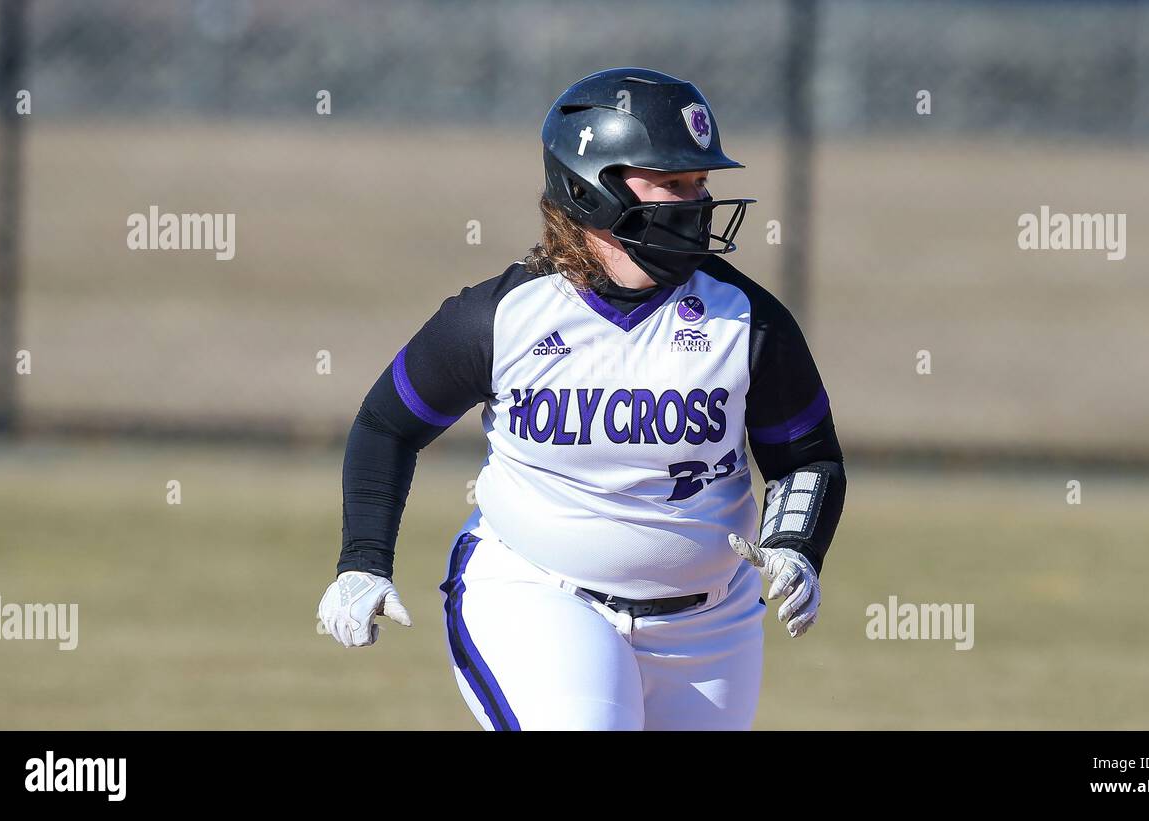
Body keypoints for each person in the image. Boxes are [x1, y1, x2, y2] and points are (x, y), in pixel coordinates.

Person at [316, 67, 846, 730]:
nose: (698, 200)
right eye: (672, 181)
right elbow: (387, 425)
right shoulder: (500, 317)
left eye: (701, 181)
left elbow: (808, 458)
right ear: (589, 187)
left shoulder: (747, 322)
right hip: (539, 593)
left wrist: (797, 542)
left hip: (711, 627)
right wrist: (363, 560)